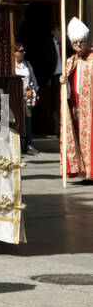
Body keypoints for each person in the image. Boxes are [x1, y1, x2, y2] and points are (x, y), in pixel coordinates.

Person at [62, 17, 93, 184]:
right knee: (79, 138)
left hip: (91, 106)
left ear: (87, 42)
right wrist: (63, 82)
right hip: (76, 106)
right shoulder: (69, 61)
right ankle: (82, 170)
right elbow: (68, 82)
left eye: (82, 42)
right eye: (76, 43)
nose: (79, 45)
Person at [14, 44, 39, 156]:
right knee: (16, 120)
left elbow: (32, 78)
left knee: (28, 119)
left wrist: (35, 90)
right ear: (15, 52)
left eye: (23, 51)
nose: (23, 53)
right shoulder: (11, 66)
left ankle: (29, 143)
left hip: (27, 95)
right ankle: (16, 144)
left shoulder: (27, 64)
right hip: (16, 96)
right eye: (21, 51)